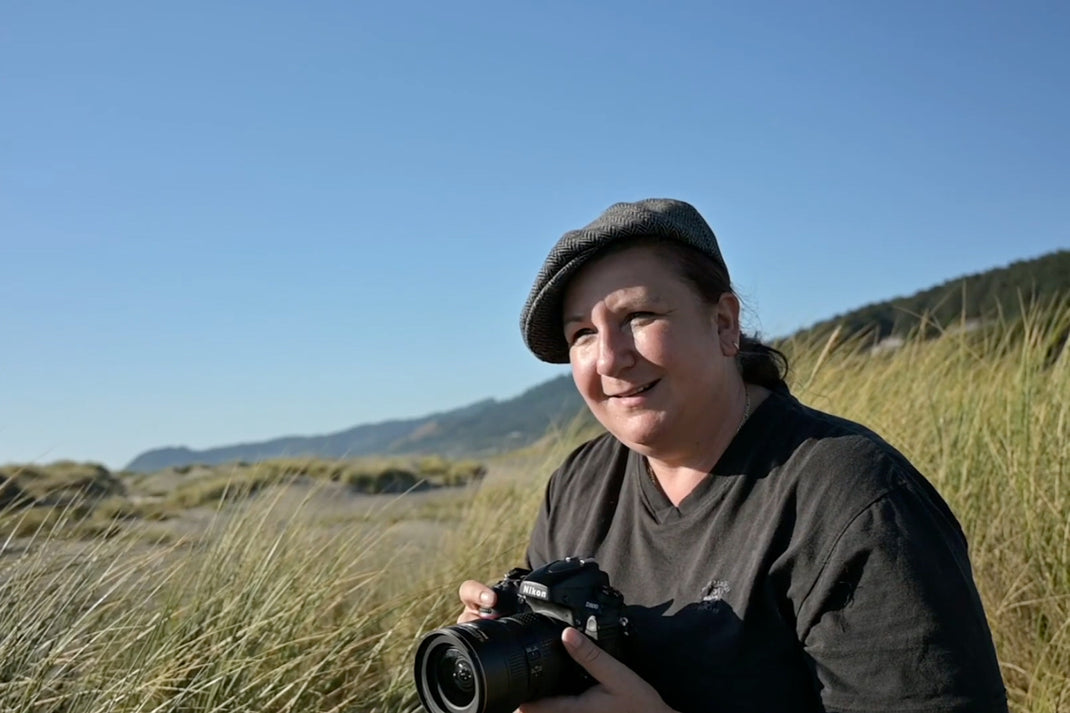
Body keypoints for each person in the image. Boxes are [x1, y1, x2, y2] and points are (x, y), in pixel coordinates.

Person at [457, 198, 1008, 713]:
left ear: (723, 323)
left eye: (638, 317)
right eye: (582, 333)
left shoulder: (854, 501)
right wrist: (497, 645)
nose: (609, 359)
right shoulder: (578, 483)